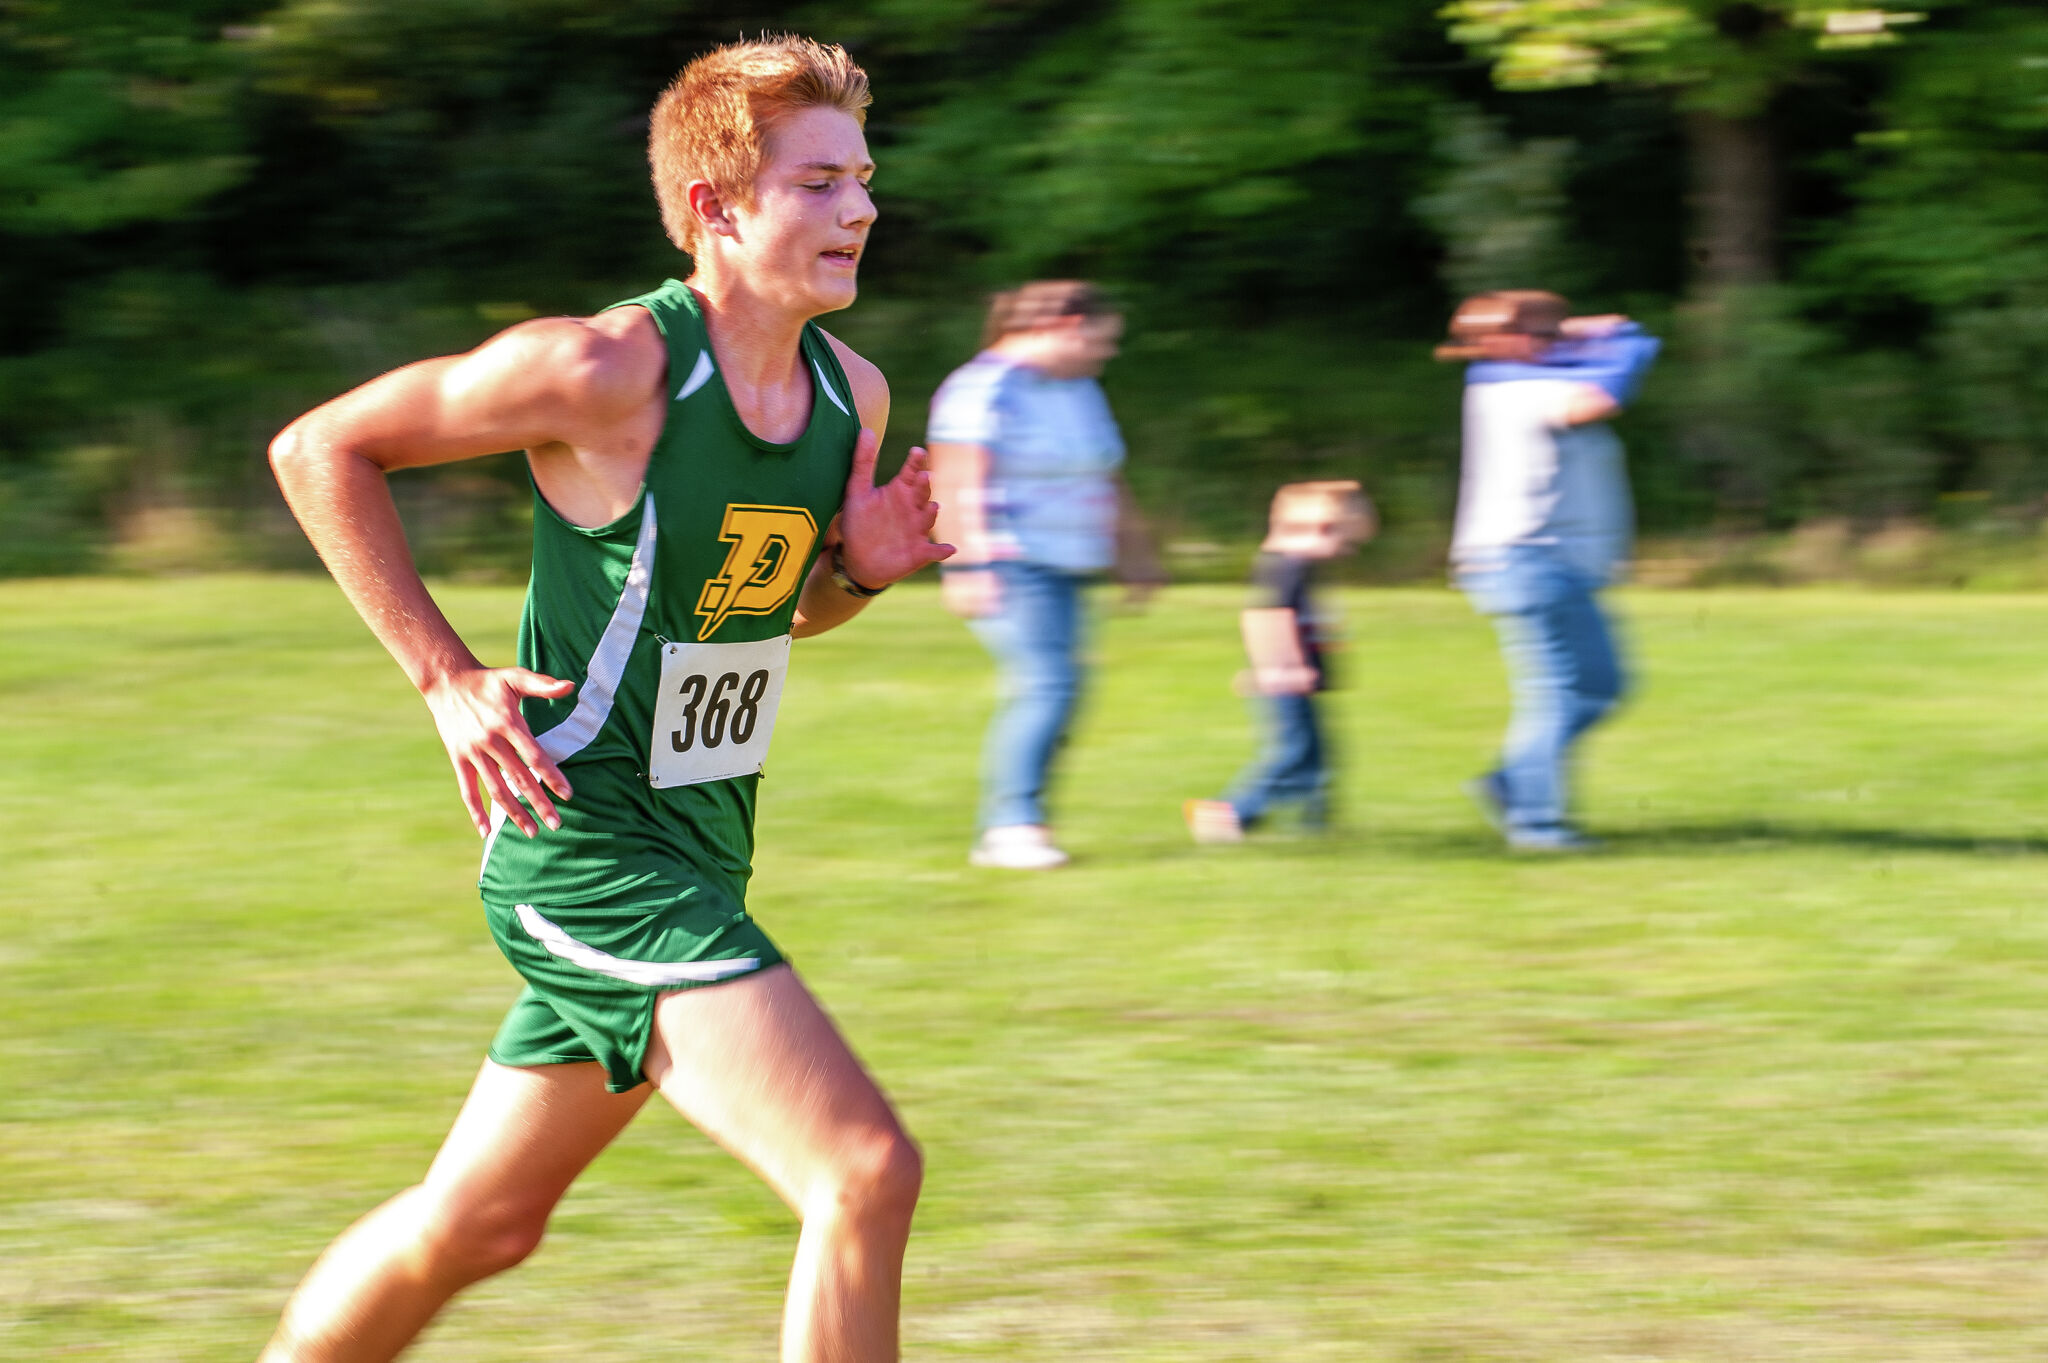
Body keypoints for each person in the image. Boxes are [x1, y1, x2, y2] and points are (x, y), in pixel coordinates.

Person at [257, 38, 951, 1363]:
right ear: (718, 206)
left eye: (862, 176)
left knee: (479, 1222)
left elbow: (780, 606)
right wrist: (446, 674)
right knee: (862, 1168)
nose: (861, 207)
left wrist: (858, 568)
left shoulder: (844, 394)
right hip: (583, 850)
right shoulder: (604, 369)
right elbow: (318, 447)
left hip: (699, 848)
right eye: (818, 182)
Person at [926, 281, 1160, 870]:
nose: (1106, 353)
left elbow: (1105, 471)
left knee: (1063, 689)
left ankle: (1023, 817)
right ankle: (1010, 827)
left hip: (1070, 563)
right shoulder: (983, 387)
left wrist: (1135, 550)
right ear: (1064, 326)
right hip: (1013, 560)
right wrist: (969, 564)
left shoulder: (1078, 387)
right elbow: (955, 480)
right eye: (1101, 341)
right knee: (1046, 685)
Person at [1438, 290, 1659, 851]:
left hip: (1552, 563)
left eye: (1554, 333)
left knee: (1603, 687)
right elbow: (1606, 394)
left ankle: (1513, 783)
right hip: (1527, 560)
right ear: (1495, 343)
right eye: (1540, 334)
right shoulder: (1509, 386)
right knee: (1560, 695)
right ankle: (1536, 823)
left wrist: (1581, 334)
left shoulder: (1529, 375)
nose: (1551, 342)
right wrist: (1614, 337)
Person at [1185, 480, 1374, 844]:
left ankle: (1315, 826)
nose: (1343, 551)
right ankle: (1227, 813)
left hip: (1298, 681)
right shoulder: (1283, 566)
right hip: (1283, 682)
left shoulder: (1301, 564)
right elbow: (1262, 617)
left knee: (1319, 758)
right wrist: (1279, 667)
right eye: (1340, 537)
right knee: (1293, 755)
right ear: (1307, 529)